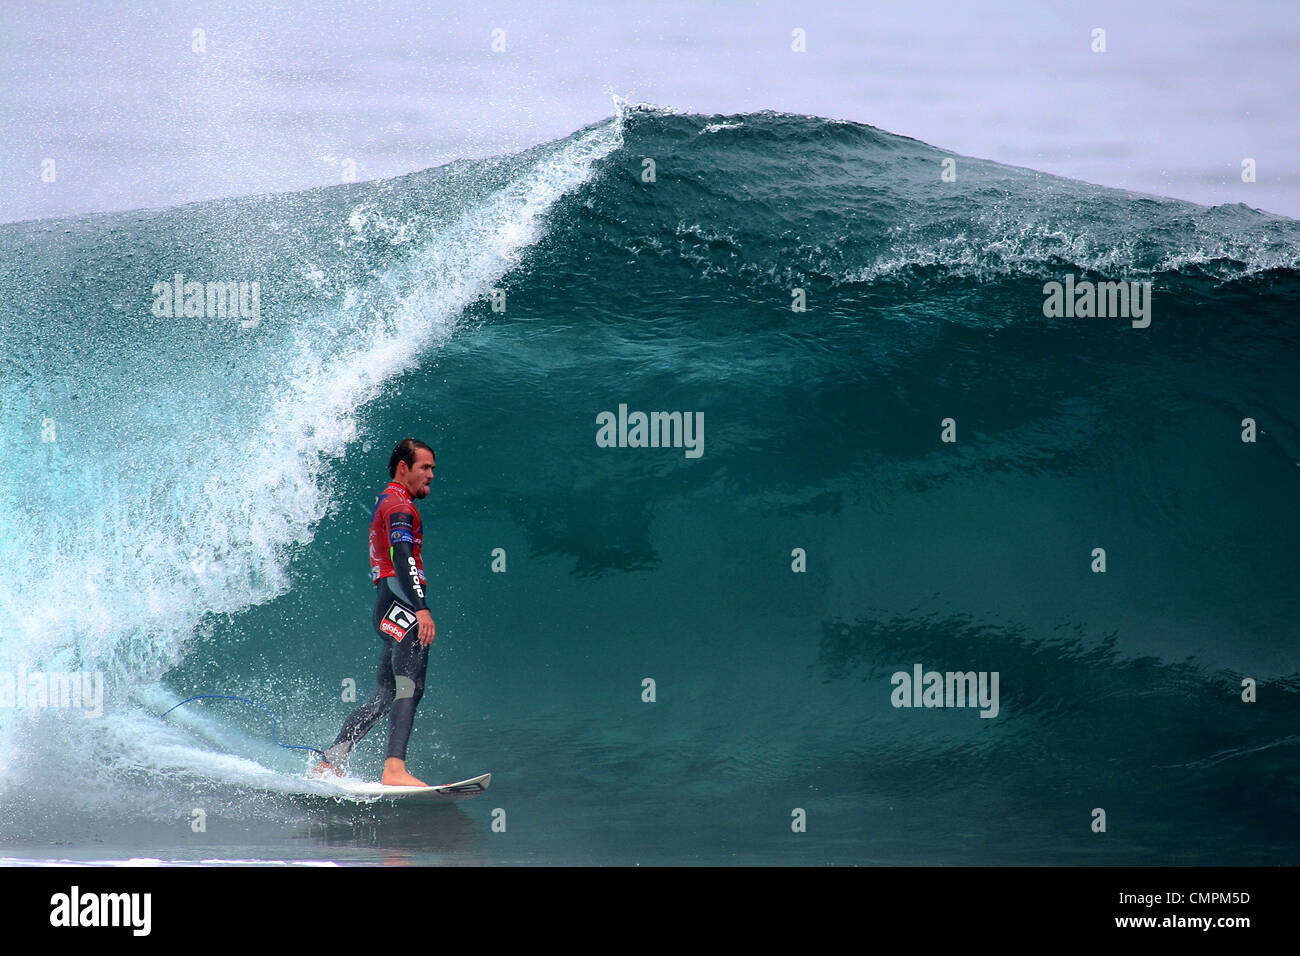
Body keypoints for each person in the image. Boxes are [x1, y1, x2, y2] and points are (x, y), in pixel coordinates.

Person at [314, 438, 437, 786]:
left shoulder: (386, 500)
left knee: (385, 694)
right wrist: (421, 608)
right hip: (401, 604)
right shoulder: (401, 507)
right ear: (403, 467)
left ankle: (331, 761)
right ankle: (394, 769)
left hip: (386, 605)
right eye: (424, 468)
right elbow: (404, 557)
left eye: (432, 469)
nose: (430, 475)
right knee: (410, 684)